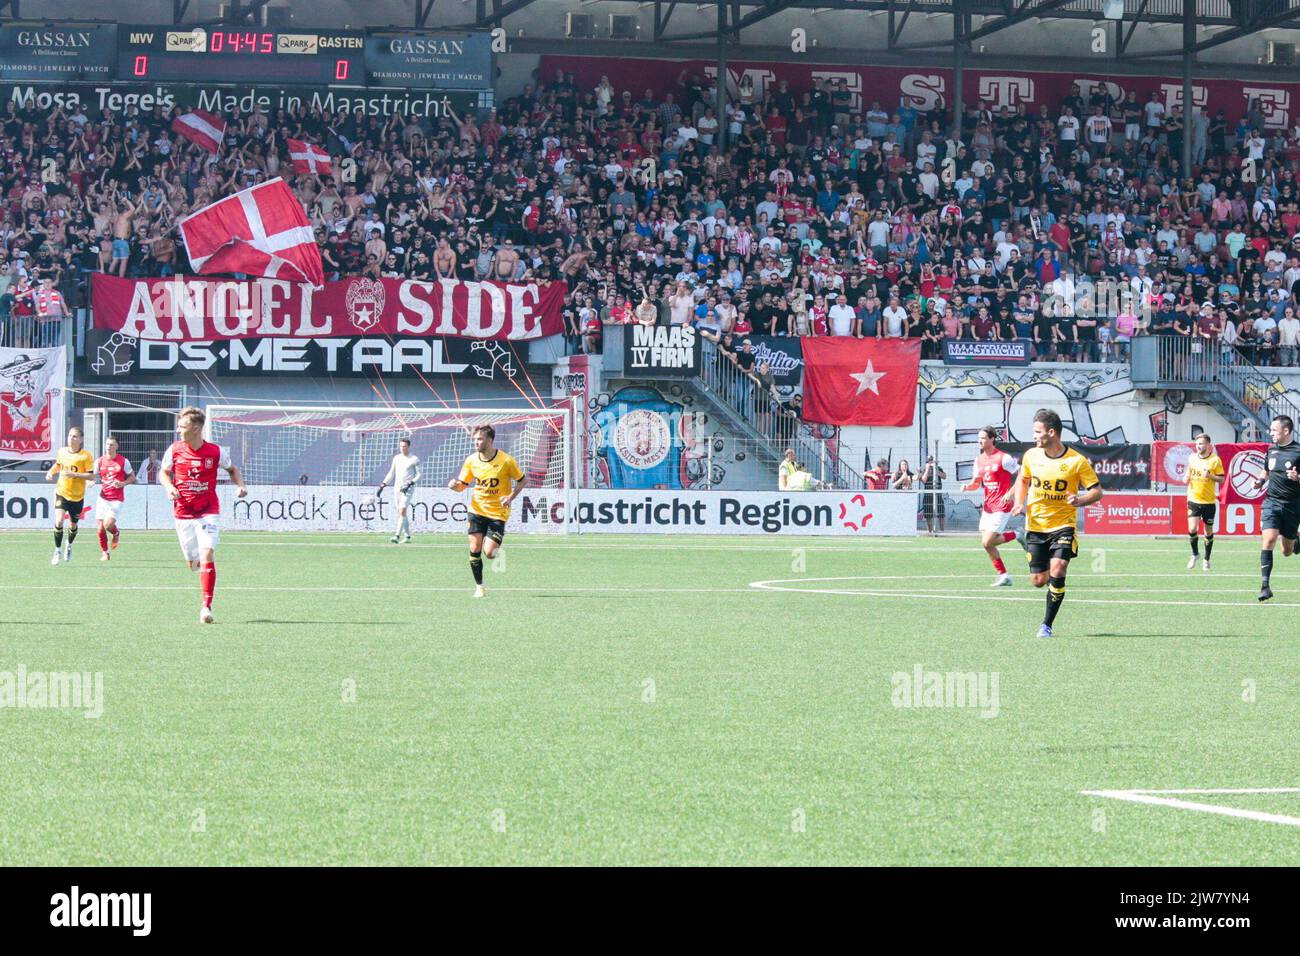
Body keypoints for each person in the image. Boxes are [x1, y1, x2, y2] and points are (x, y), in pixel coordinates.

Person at [1011, 409, 1103, 638]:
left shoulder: (1076, 461)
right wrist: (1020, 503)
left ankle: (1046, 625)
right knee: (1038, 581)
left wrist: (1080, 500)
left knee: (1059, 568)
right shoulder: (1032, 455)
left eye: (1037, 431)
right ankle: (1028, 546)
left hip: (1064, 525)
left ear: (1051, 432)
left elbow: (1097, 492)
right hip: (1036, 525)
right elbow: (1022, 480)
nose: (1034, 436)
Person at [160, 406, 249, 624]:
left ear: (196, 429)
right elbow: (164, 472)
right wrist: (169, 487)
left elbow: (232, 470)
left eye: (183, 427)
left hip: (208, 512)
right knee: (193, 562)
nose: (179, 431)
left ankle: (206, 607)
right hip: (183, 514)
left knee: (207, 553)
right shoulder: (174, 450)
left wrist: (241, 486)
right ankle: (197, 566)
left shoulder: (215, 452)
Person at [448, 424, 527, 598]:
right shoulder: (471, 460)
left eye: (480, 439)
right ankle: (480, 587)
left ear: (490, 440)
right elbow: (462, 486)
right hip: (476, 510)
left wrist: (511, 497)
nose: (476, 442)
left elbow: (522, 480)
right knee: (474, 547)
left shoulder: (506, 461)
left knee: (490, 553)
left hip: (498, 513)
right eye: (475, 439)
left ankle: (495, 549)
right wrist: (454, 486)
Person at [962, 426, 1024, 586]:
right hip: (988, 507)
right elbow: (976, 483)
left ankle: (1005, 571)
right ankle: (1004, 574)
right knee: (989, 542)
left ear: (992, 439)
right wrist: (968, 487)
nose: (979, 441)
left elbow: (1023, 475)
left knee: (987, 541)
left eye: (983, 438)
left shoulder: (1004, 458)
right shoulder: (978, 460)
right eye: (978, 438)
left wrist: (1010, 493)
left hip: (1002, 506)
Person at [1253, 414, 1300, 601]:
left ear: (1286, 430)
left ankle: (1296, 541)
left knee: (1286, 551)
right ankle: (1265, 586)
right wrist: (1260, 480)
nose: (1270, 433)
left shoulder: (1298, 452)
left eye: (1273, 430)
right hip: (1271, 502)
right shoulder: (1271, 450)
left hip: (1293, 506)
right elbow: (1266, 469)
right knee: (1269, 539)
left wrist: (1298, 478)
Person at [45, 425, 94, 565]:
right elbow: (58, 465)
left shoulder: (86, 456)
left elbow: (91, 476)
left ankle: (69, 545)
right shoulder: (62, 452)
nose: (70, 438)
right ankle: (57, 550)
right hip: (62, 492)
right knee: (59, 521)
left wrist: (74, 475)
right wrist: (50, 472)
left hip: (77, 496)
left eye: (74, 436)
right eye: (69, 435)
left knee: (73, 525)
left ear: (81, 440)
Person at [1183, 433, 1224, 571]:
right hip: (1193, 498)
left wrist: (1210, 476)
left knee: (1208, 531)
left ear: (1208, 445)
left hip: (1209, 501)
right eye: (1197, 444)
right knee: (1192, 529)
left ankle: (1207, 559)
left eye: (1201, 444)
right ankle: (1195, 554)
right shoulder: (1192, 458)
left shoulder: (1215, 460)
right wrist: (1186, 476)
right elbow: (1189, 470)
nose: (1198, 446)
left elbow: (1222, 479)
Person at [94, 435, 136, 561]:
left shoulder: (124, 461)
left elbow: (132, 477)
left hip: (117, 499)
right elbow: (92, 476)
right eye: (107, 444)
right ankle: (105, 553)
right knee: (100, 528)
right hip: (103, 497)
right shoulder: (99, 461)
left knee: (108, 525)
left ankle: (116, 533)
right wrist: (89, 482)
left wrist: (123, 483)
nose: (109, 447)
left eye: (112, 444)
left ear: (117, 446)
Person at [377, 437, 420, 544]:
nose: (402, 448)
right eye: (401, 446)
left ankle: (396, 536)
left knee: (402, 511)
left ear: (408, 447)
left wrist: (410, 483)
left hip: (408, 489)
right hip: (397, 489)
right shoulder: (396, 458)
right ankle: (408, 536)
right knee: (402, 514)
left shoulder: (414, 459)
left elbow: (420, 475)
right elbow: (391, 473)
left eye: (404, 446)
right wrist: (383, 484)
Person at [919, 454, 947, 535]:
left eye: (932, 461)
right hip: (928, 495)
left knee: (941, 513)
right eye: (929, 461)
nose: (930, 462)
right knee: (928, 514)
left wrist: (935, 470)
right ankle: (930, 531)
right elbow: (923, 480)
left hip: (938, 494)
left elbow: (944, 476)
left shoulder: (938, 468)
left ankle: (942, 531)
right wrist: (928, 469)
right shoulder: (924, 469)